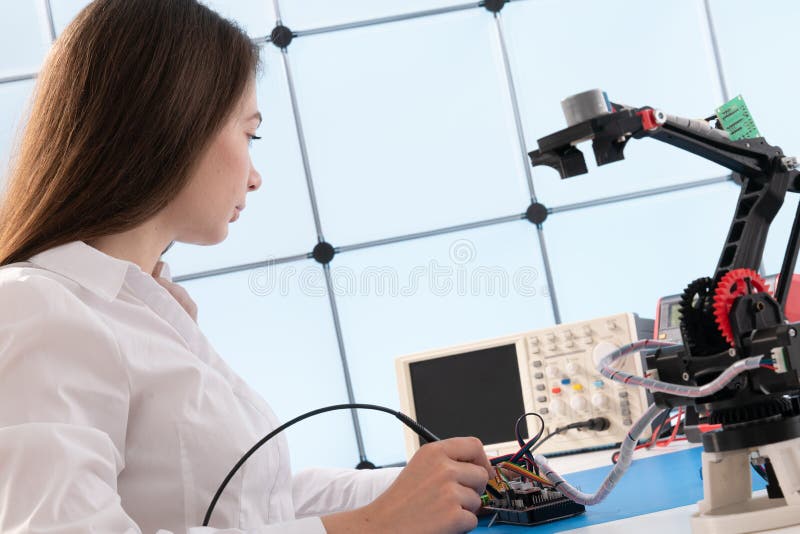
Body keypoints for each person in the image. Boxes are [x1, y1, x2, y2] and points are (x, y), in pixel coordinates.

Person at [0, 1, 492, 532]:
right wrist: (369, 526)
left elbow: (260, 501)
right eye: (249, 134)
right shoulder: (35, 305)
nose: (255, 178)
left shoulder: (151, 311)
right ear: (174, 121)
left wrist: (440, 484)